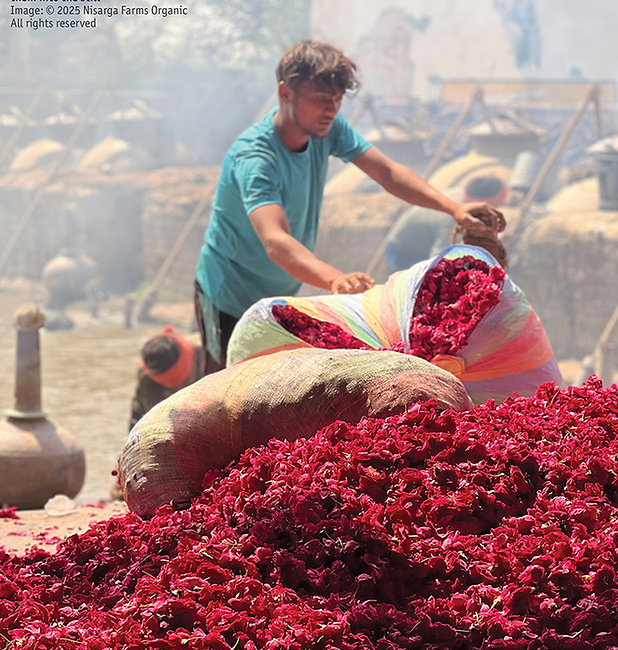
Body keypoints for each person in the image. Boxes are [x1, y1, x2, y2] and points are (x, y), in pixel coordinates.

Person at [195, 40, 505, 373]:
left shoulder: (326, 128)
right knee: (223, 394)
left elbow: (386, 172)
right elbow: (275, 239)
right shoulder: (256, 158)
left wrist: (454, 209)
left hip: (277, 292)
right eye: (319, 100)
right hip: (228, 294)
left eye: (337, 99)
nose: (331, 109)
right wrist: (335, 280)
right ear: (285, 94)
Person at [129, 326, 201, 430]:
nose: (180, 388)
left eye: (185, 380)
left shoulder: (210, 354)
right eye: (173, 386)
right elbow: (157, 421)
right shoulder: (147, 374)